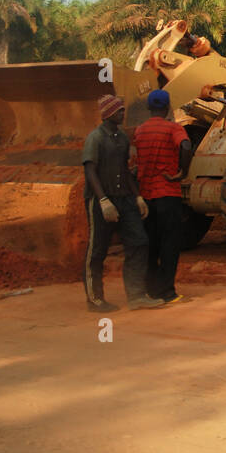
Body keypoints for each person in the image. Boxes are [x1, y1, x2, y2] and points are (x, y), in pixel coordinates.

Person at [81, 95, 162, 312]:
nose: (123, 114)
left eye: (123, 110)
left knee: (138, 241)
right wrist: (103, 200)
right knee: (97, 249)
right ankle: (95, 299)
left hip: (125, 198)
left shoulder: (122, 138)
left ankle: (136, 295)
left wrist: (137, 196)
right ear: (108, 113)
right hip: (102, 200)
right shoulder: (95, 138)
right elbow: (90, 170)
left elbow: (125, 170)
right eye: (120, 111)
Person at [133, 89, 192, 305]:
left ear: (149, 108)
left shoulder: (139, 131)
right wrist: (182, 172)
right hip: (168, 193)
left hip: (146, 196)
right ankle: (167, 292)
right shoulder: (173, 128)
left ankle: (151, 289)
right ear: (167, 107)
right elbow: (185, 145)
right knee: (170, 244)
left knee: (151, 244)